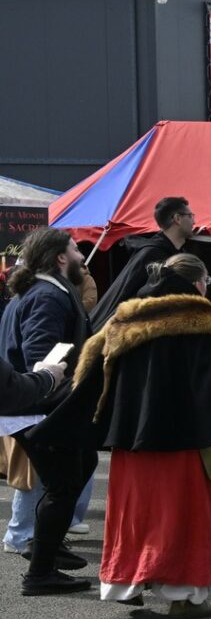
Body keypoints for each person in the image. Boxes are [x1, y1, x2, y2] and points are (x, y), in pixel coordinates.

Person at [35, 253, 211, 613]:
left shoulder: (124, 319)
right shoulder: (200, 320)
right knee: (183, 518)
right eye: (206, 280)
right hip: (182, 441)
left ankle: (124, 585)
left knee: (133, 516)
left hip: (130, 444)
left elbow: (92, 376)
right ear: (197, 282)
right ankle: (185, 597)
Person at [1, 228, 95, 580]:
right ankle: (40, 571)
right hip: (37, 405)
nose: (81, 256)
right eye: (75, 249)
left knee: (81, 464)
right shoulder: (46, 296)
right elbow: (38, 357)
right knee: (64, 483)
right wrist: (64, 394)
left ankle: (46, 548)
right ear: (60, 258)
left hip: (33, 404)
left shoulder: (43, 291)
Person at [89, 196, 194, 331]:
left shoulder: (160, 253)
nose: (194, 221)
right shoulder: (154, 255)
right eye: (190, 216)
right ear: (177, 219)